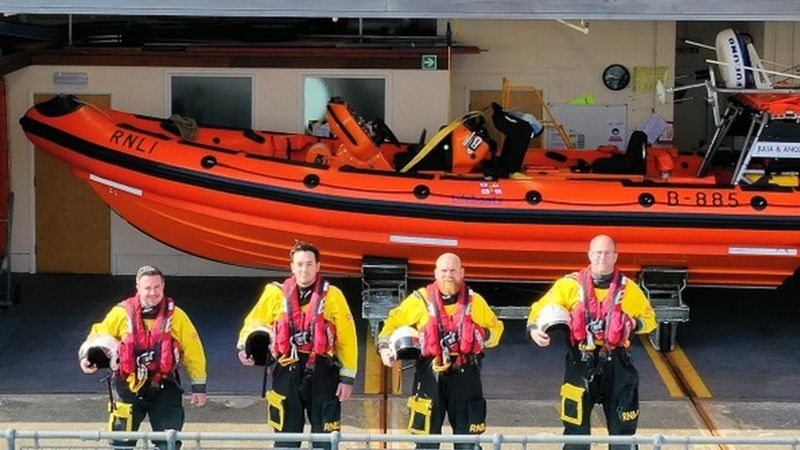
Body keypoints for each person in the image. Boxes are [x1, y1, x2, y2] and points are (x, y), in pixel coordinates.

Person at [527, 235, 656, 450]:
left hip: (617, 365)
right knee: (575, 433)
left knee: (623, 433)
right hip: (580, 365)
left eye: (607, 253)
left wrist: (633, 324)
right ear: (589, 254)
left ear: (615, 257)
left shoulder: (629, 289)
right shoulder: (568, 286)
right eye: (597, 252)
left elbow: (650, 320)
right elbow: (539, 310)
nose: (601, 257)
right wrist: (534, 329)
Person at [237, 241, 358, 450]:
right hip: (286, 370)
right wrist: (244, 348)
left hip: (323, 372)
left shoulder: (333, 296)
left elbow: (347, 338)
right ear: (292, 267)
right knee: (286, 439)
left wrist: (347, 378)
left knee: (326, 438)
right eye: (300, 264)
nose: (304, 269)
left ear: (318, 266)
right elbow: (253, 322)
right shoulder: (274, 293)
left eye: (309, 264)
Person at [377, 252, 504, 449]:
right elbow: (391, 324)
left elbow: (497, 330)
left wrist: (483, 335)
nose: (448, 275)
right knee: (425, 440)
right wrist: (385, 348)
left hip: (465, 375)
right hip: (429, 375)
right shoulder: (419, 300)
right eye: (444, 270)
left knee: (469, 441)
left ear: (462, 273)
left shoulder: (476, 301)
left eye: (453, 270)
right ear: (435, 273)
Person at [79, 265, 207, 450]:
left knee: (168, 444)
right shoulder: (120, 313)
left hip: (165, 389)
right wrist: (86, 358)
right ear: (138, 288)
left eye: (157, 287)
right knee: (120, 444)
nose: (153, 292)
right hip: (127, 388)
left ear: (163, 286)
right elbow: (97, 335)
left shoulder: (178, 317)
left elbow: (194, 352)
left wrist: (199, 387)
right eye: (147, 288)